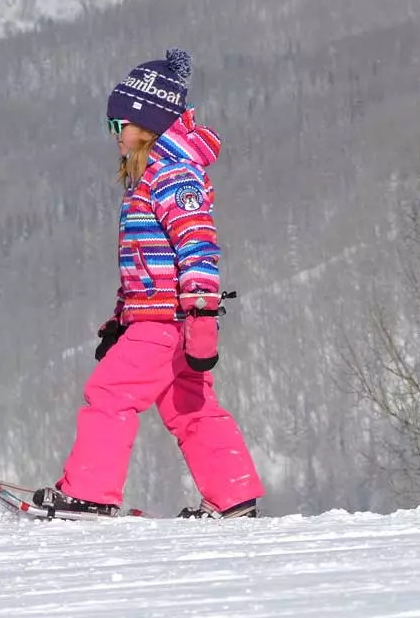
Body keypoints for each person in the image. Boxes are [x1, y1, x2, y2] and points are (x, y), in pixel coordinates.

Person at [31, 49, 265, 519]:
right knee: (189, 405)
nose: (114, 137)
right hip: (154, 316)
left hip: (167, 320)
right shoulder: (151, 178)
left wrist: (201, 317)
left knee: (111, 393)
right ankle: (234, 496)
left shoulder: (175, 177)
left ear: (147, 126)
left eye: (119, 127)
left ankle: (91, 494)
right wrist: (120, 321)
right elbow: (142, 264)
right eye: (110, 128)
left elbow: (198, 247)